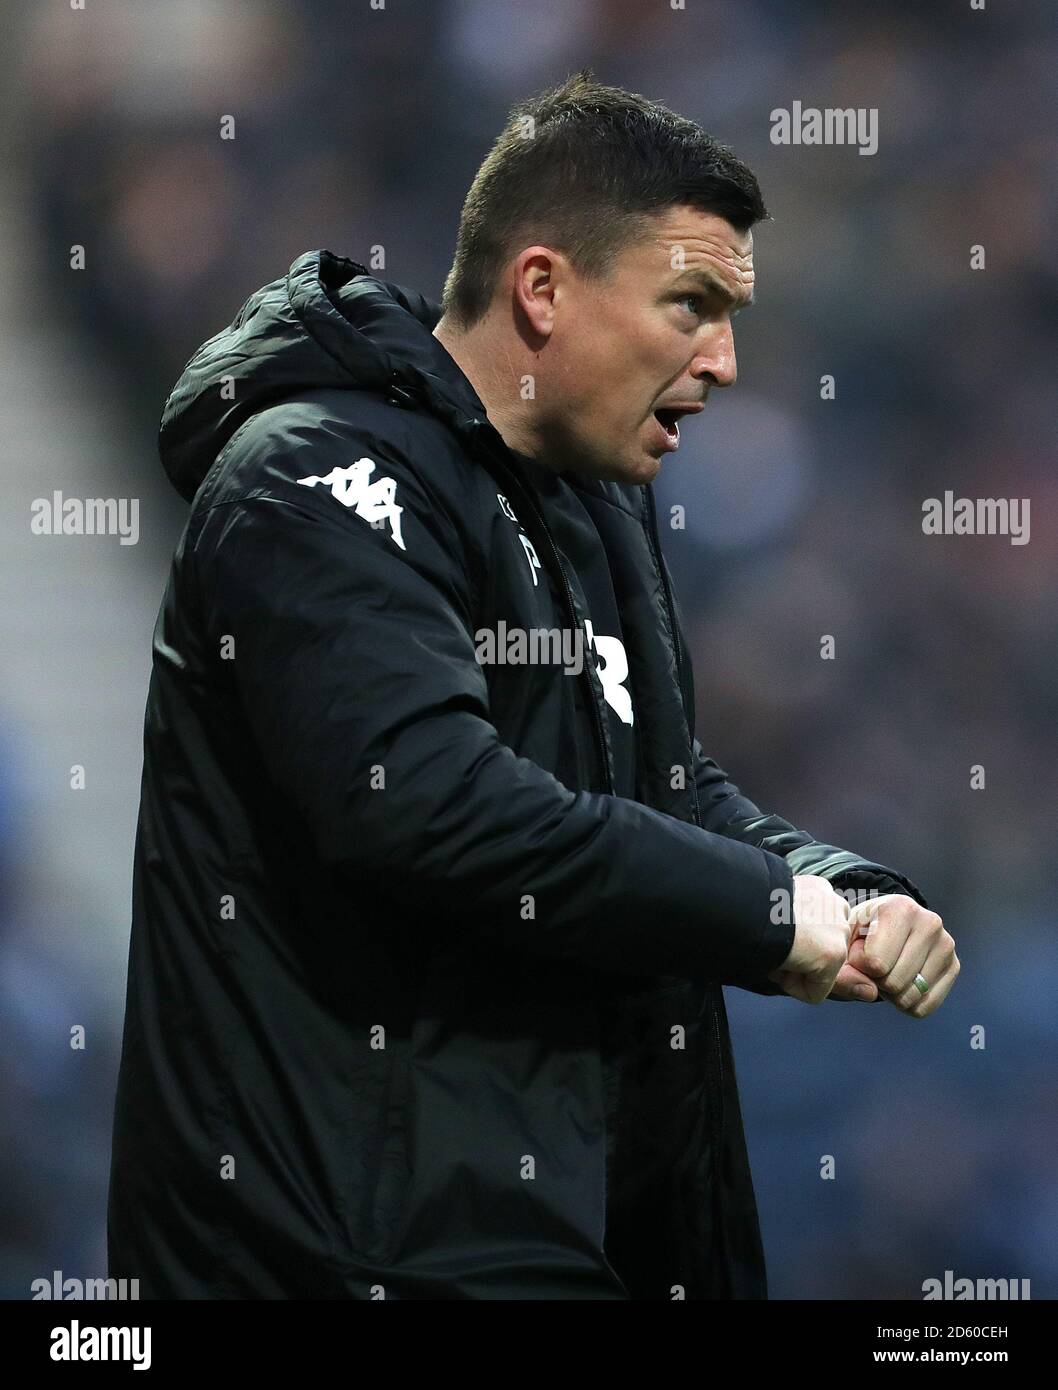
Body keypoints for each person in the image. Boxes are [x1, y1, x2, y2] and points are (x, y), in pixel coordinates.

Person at [107, 70, 959, 1301]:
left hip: (559, 1239)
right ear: (543, 289)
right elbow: (426, 800)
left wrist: (838, 889)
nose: (723, 362)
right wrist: (763, 915)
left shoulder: (590, 506)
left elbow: (663, 793)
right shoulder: (308, 475)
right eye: (689, 305)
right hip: (340, 1261)